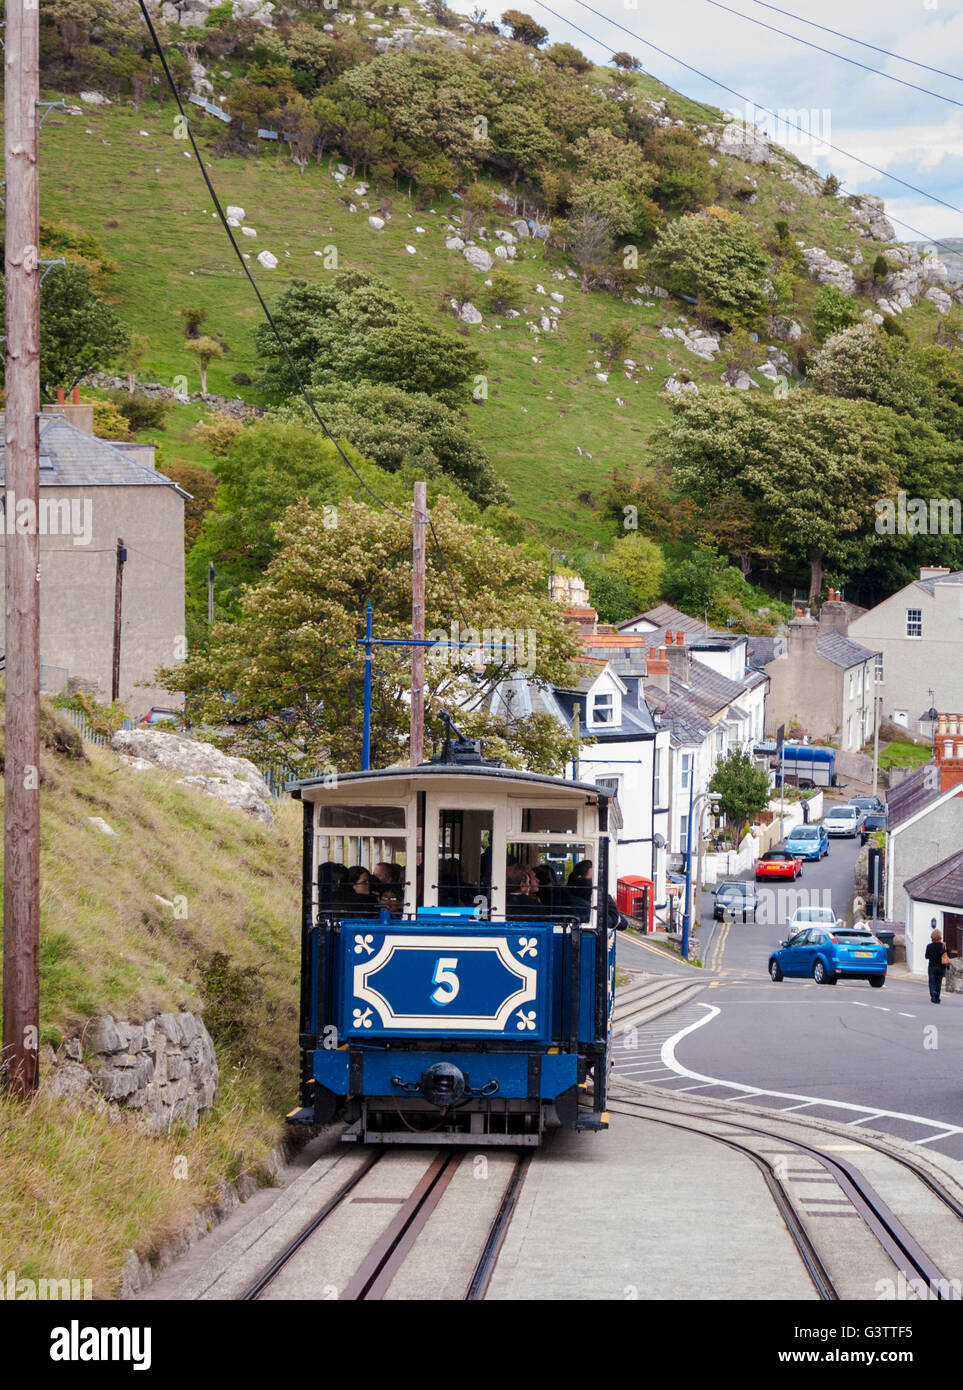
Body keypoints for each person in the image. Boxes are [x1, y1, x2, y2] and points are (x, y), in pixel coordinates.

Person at [925, 927, 951, 1004]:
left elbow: (926, 956)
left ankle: (933, 992)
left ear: (932, 937)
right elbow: (948, 955)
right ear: (940, 936)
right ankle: (937, 999)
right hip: (941, 967)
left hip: (932, 966)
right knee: (938, 983)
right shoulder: (943, 946)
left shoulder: (929, 946)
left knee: (932, 982)